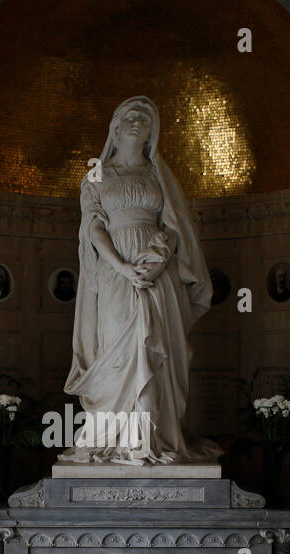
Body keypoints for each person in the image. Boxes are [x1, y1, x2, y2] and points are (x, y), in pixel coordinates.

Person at [61, 95, 217, 464]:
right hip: (116, 276)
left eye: (145, 119)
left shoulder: (158, 174)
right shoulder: (96, 175)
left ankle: (153, 441)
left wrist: (159, 262)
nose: (136, 121)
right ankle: (119, 440)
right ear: (114, 127)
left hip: (157, 274)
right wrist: (122, 266)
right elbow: (94, 226)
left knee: (155, 351)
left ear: (152, 133)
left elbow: (175, 226)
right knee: (118, 351)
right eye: (129, 116)